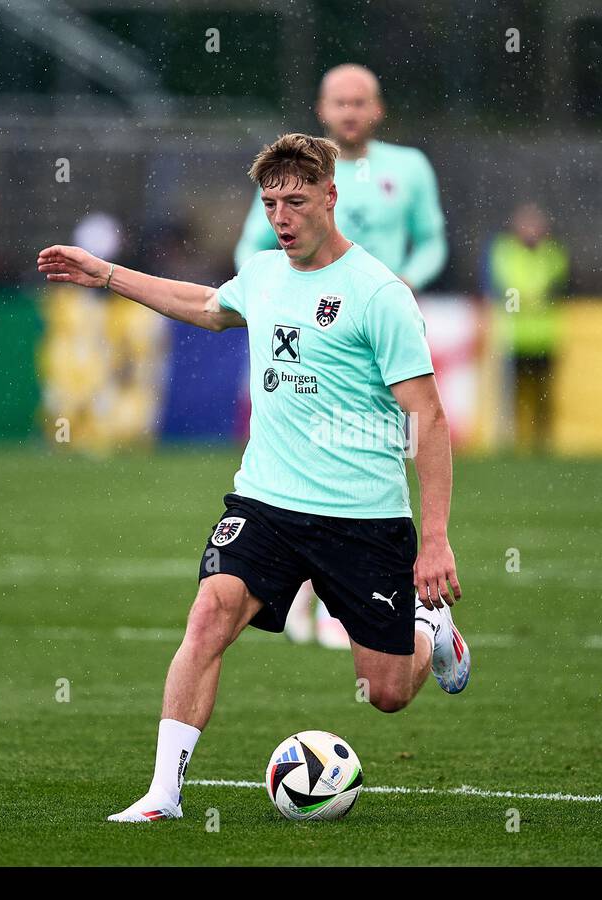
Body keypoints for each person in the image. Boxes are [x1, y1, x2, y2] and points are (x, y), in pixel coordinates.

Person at [37, 133, 471, 824]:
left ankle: (432, 635)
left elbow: (430, 418)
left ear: (331, 197)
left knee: (387, 691)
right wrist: (108, 275)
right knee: (208, 616)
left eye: (296, 201)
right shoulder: (265, 274)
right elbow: (208, 306)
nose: (282, 216)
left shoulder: (378, 295)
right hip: (266, 504)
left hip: (363, 519)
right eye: (270, 203)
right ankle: (163, 795)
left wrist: (436, 538)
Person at [235, 63, 448, 649]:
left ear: (377, 110)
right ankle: (307, 600)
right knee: (304, 453)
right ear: (322, 110)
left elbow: (433, 241)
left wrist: (401, 282)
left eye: (360, 102)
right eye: (339, 102)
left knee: (373, 443)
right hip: (310, 325)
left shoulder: (408, 168)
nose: (350, 112)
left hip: (376, 324)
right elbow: (250, 242)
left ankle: (358, 601)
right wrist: (271, 294)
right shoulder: (298, 177)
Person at [487, 203, 569, 454]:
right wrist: (534, 298)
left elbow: (558, 285)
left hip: (545, 336)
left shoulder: (553, 252)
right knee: (512, 395)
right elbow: (507, 286)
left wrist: (528, 298)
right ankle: (509, 442)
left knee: (543, 394)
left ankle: (541, 443)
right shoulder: (505, 251)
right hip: (515, 337)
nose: (531, 230)